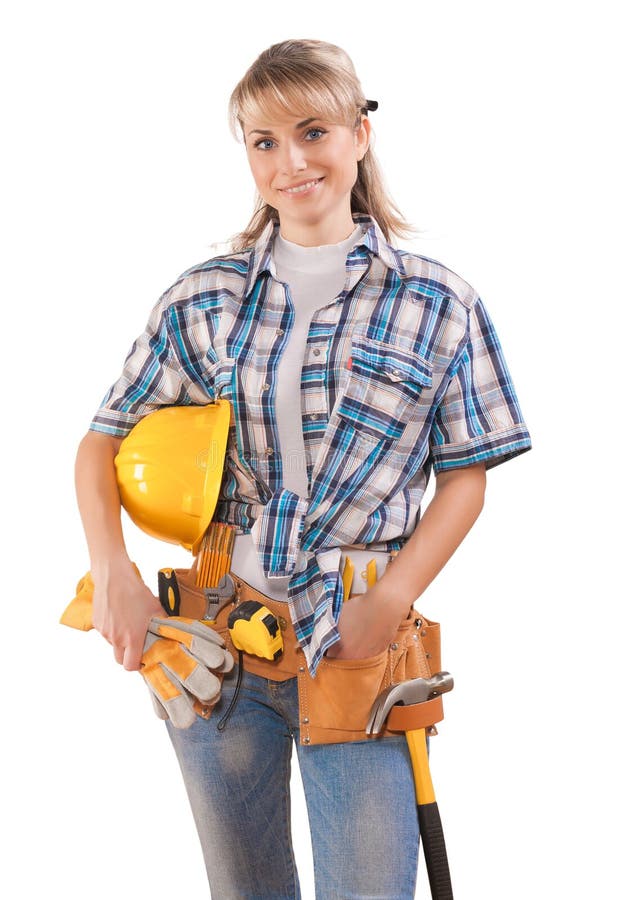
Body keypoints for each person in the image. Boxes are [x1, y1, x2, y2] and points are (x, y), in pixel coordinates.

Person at [75, 38, 532, 900]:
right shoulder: (202, 298)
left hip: (354, 642)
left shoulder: (436, 300)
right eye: (263, 142)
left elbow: (466, 476)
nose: (291, 161)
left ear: (359, 135)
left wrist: (392, 598)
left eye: (312, 131)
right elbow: (100, 439)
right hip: (215, 643)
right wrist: (113, 574)